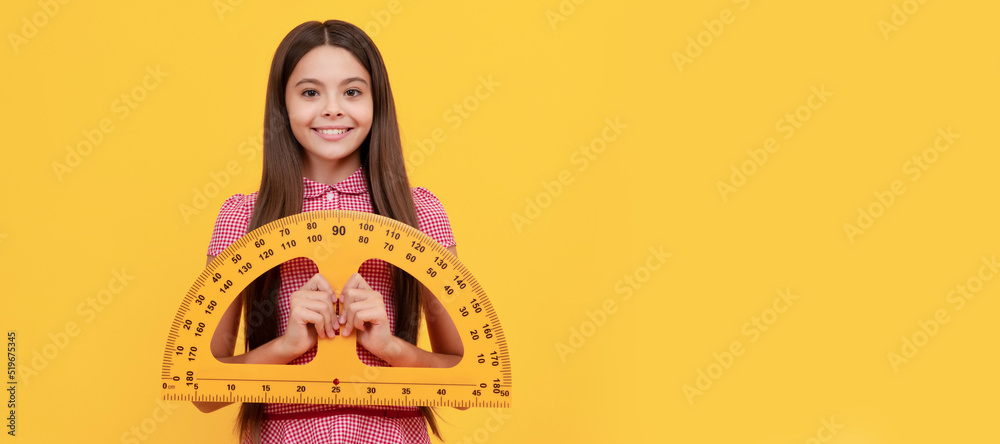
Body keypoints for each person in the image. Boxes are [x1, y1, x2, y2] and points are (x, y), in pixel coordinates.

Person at [192, 20, 465, 444]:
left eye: (352, 91)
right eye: (310, 92)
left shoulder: (420, 214)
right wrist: (286, 347)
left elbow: (467, 382)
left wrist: (391, 348)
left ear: (378, 104)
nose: (332, 109)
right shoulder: (242, 218)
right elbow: (203, 390)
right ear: (282, 106)